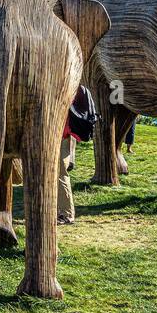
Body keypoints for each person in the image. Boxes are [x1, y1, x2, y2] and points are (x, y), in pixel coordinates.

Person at [59, 85, 98, 225]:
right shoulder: (73, 86)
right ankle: (60, 211)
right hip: (64, 135)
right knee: (58, 174)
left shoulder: (66, 87)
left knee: (60, 175)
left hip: (61, 136)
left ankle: (66, 214)